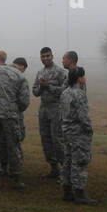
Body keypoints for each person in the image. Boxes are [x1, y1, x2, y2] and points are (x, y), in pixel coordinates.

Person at [0, 50, 30, 190]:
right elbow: (24, 100)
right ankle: (16, 178)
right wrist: (15, 109)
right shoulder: (19, 76)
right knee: (13, 146)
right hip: (10, 115)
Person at [59, 66, 98, 205]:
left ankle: (67, 190)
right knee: (80, 161)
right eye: (84, 76)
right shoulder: (79, 93)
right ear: (80, 78)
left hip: (66, 131)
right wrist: (89, 129)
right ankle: (80, 192)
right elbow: (83, 116)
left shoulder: (65, 93)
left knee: (68, 161)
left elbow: (61, 113)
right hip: (78, 132)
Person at [32, 47, 67, 179]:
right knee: (45, 139)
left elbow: (65, 90)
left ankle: (65, 169)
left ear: (52, 56)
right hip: (43, 109)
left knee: (57, 139)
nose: (45, 59)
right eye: (43, 57)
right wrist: (41, 87)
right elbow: (35, 92)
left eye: (47, 56)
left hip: (56, 109)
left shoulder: (60, 72)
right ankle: (54, 168)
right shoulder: (40, 72)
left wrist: (49, 87)